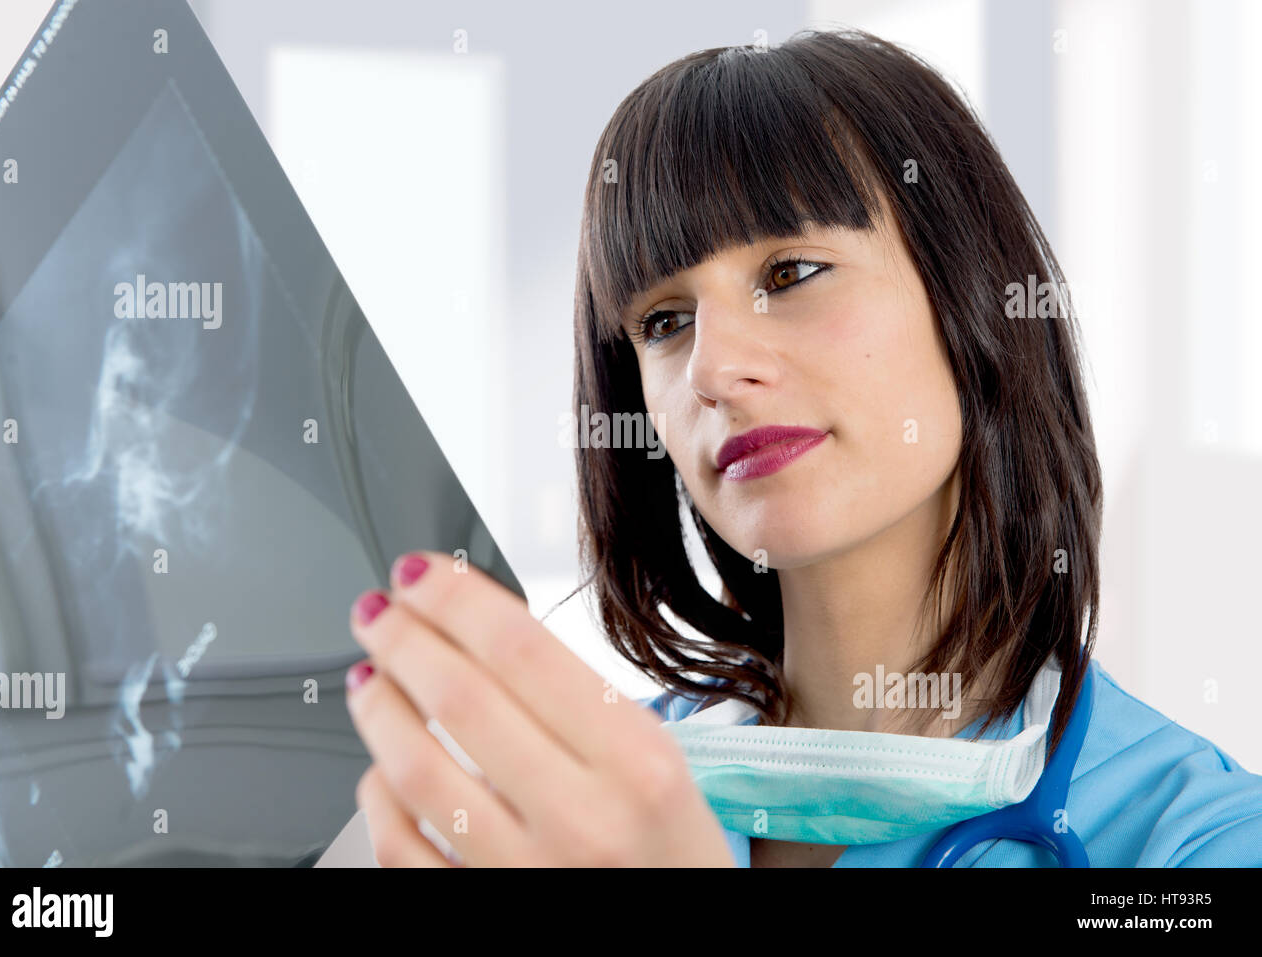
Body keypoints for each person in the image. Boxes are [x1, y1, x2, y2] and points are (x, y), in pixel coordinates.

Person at [339, 29, 1262, 867]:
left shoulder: (1199, 840)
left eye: (792, 272)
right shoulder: (551, 813)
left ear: (970, 296)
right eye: (664, 320)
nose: (714, 365)